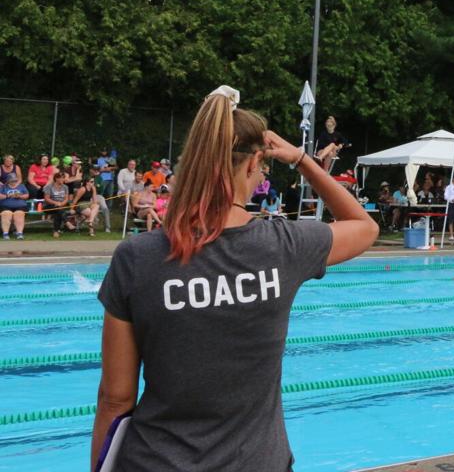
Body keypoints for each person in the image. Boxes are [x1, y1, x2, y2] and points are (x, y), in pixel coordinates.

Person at [90, 85, 378, 472]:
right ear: (251, 165)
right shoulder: (285, 247)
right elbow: (363, 226)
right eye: (262, 167)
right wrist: (301, 160)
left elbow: (115, 398)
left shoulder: (136, 258)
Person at [1, 172, 31, 240]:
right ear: (8, 181)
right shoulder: (3, 187)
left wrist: (19, 196)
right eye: (12, 181)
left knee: (19, 214)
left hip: (21, 206)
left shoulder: (21, 186)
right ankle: (5, 234)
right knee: (6, 213)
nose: (14, 182)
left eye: (15, 180)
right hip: (6, 206)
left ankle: (19, 233)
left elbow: (27, 195)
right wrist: (7, 196)